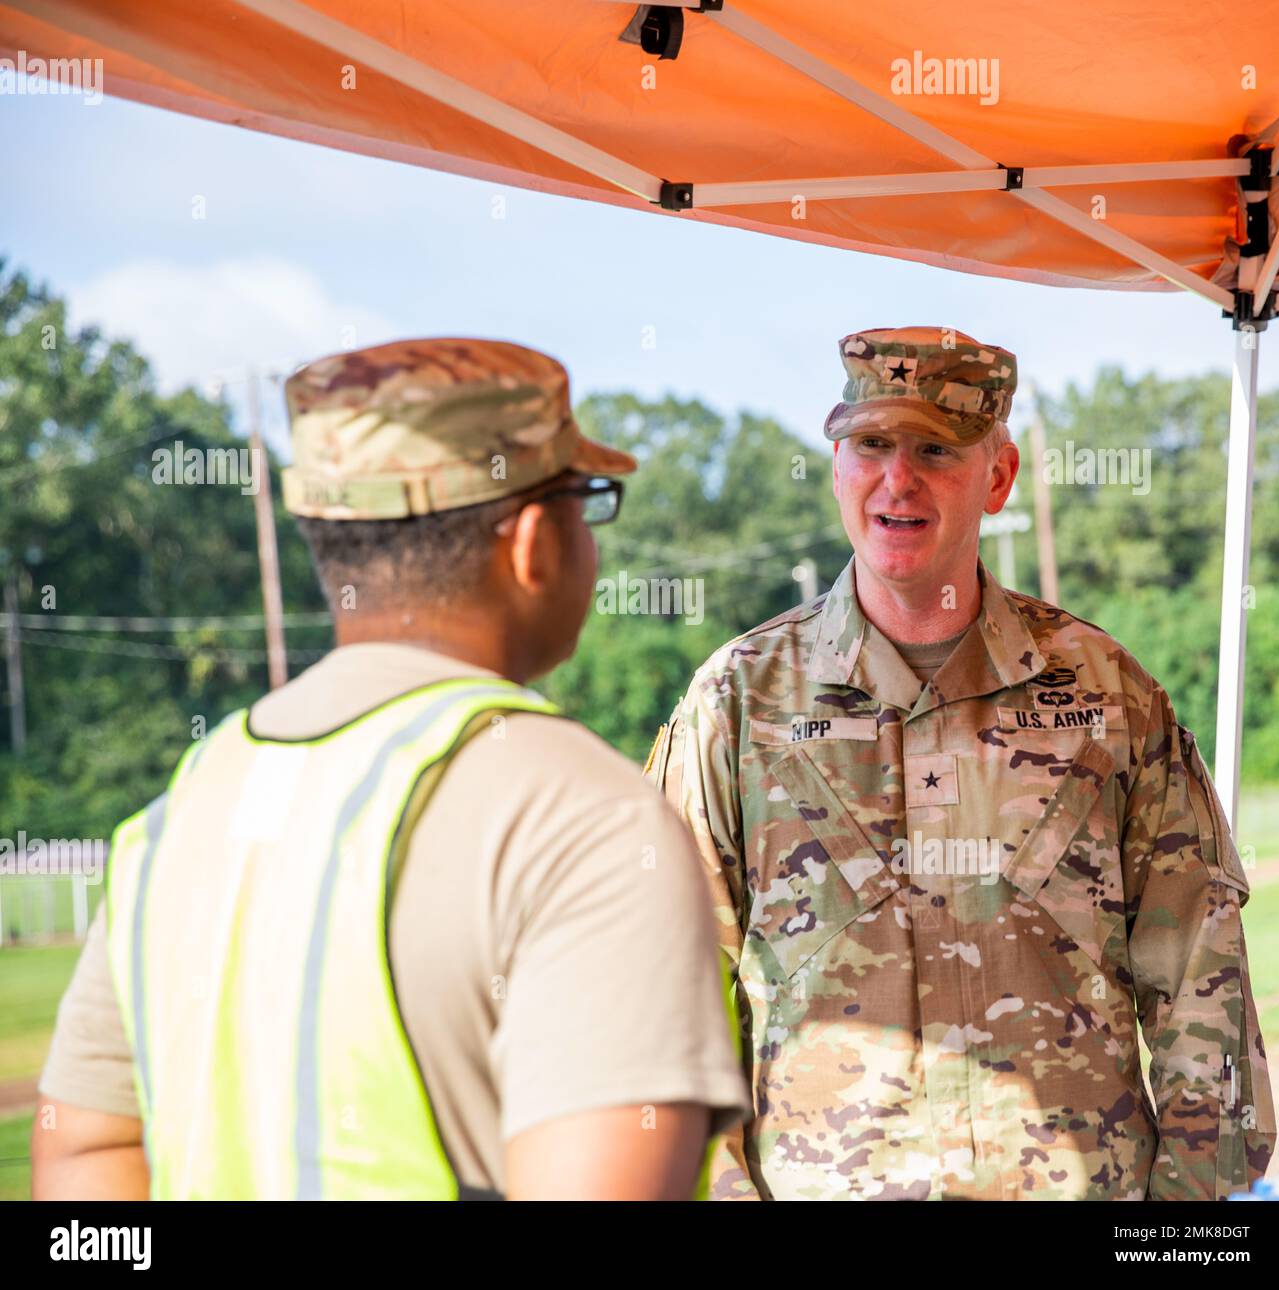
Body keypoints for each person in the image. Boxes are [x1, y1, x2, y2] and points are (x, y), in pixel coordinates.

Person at [32, 337, 747, 1201]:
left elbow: (84, 1151)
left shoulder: (180, 810)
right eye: (585, 501)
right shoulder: (584, 820)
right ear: (531, 543)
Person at [646, 326, 1276, 1201]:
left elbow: (1200, 977)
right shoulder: (738, 705)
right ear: (837, 466)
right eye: (870, 445)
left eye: (936, 450)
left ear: (998, 475)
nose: (896, 480)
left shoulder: (1106, 694)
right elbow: (668, 995)